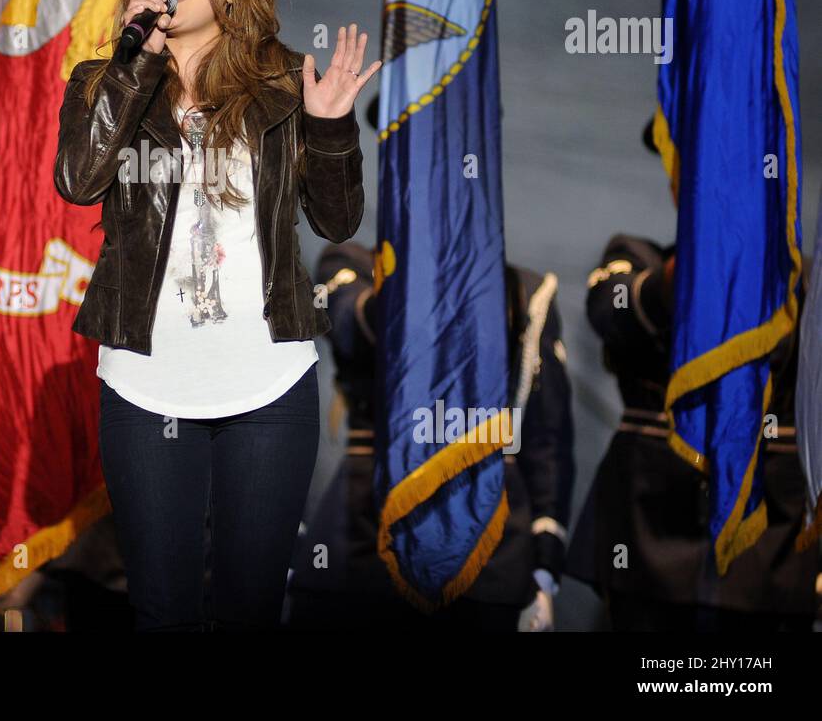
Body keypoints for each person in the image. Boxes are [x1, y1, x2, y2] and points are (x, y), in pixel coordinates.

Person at [53, 0, 379, 631]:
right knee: (161, 608)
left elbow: (336, 219)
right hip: (144, 379)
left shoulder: (284, 83)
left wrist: (330, 130)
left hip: (267, 380)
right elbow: (80, 180)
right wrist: (133, 62)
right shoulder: (106, 81)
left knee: (251, 606)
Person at [565, 120, 819, 631]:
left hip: (771, 556)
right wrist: (696, 263)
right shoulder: (634, 259)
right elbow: (611, 312)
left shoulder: (805, 282)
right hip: (648, 544)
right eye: (684, 164)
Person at [284, 235, 575, 632]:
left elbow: (546, 440)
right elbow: (353, 326)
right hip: (364, 532)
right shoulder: (353, 267)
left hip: (491, 542)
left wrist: (543, 566)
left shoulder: (526, 291)